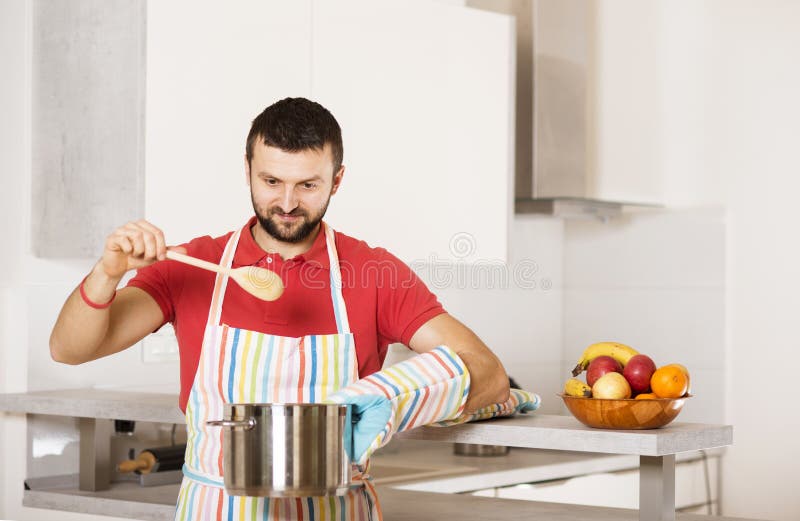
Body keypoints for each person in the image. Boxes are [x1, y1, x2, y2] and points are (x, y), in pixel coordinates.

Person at [49, 97, 539, 520]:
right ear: (247, 171)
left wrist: (381, 402)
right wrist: (107, 272)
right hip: (216, 508)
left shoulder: (374, 272)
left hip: (335, 507)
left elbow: (487, 374)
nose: (286, 202)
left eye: (307, 185)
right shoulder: (194, 264)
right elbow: (69, 349)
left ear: (337, 180)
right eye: (271, 181)